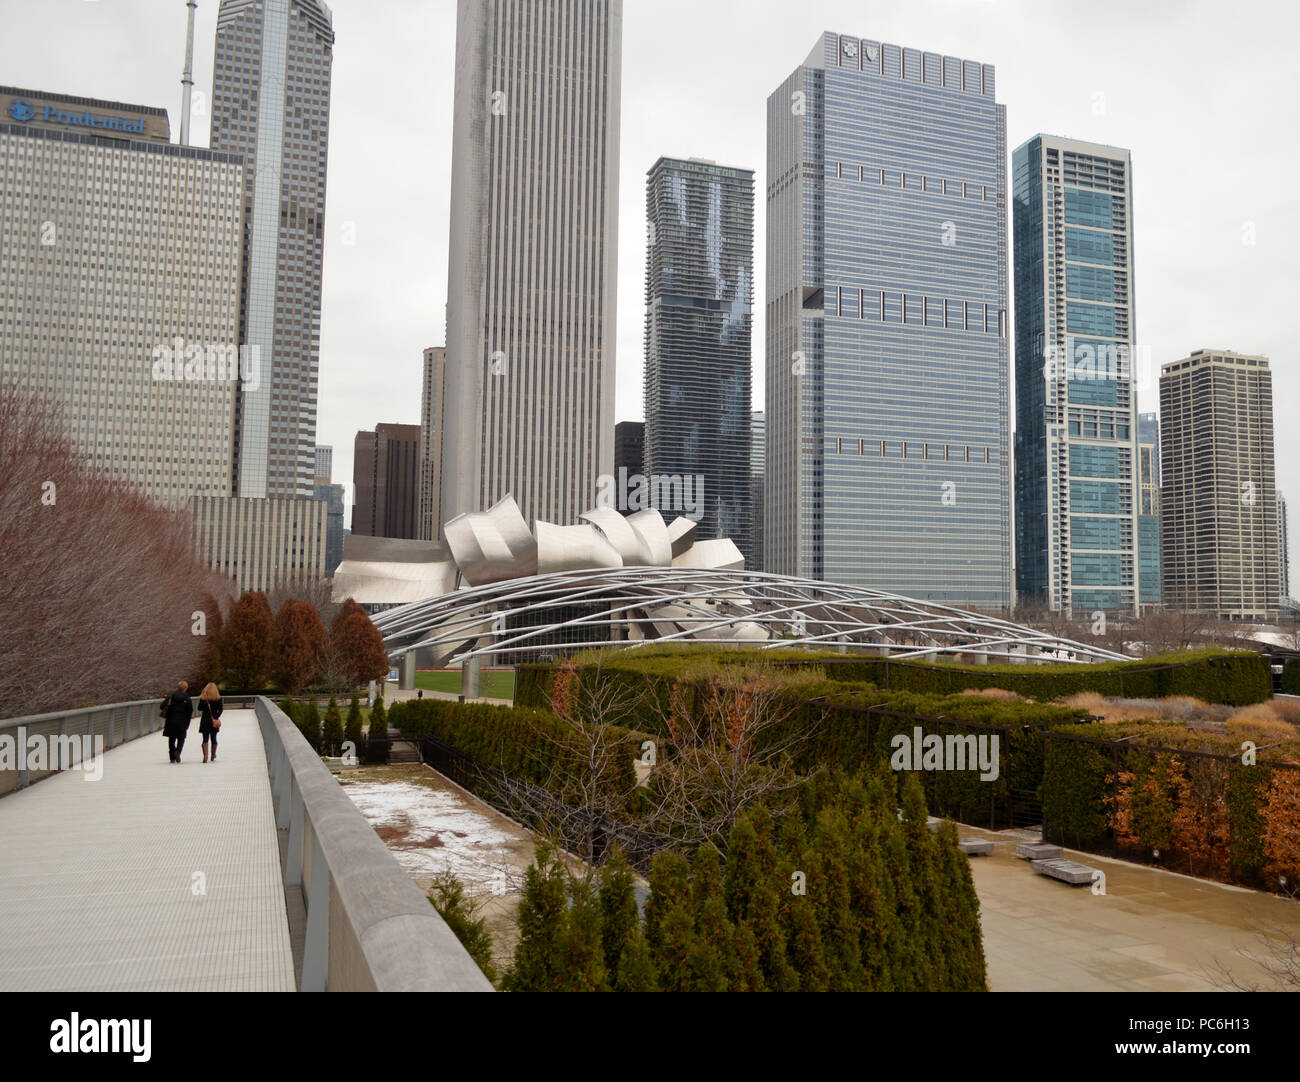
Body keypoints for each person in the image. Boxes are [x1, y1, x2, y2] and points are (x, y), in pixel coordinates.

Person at [161, 681, 193, 763]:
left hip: (171, 720)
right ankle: (178, 752)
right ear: (185, 688)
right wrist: (187, 722)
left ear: (177, 687)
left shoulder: (171, 697)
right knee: (181, 738)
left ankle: (172, 757)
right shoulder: (187, 698)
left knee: (171, 739)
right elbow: (190, 711)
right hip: (183, 721)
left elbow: (162, 706)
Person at [198, 682, 224, 763]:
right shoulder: (218, 698)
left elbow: (199, 708)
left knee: (205, 738)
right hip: (214, 721)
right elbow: (221, 709)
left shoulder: (203, 699)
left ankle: (205, 756)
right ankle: (213, 755)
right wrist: (216, 716)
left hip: (205, 720)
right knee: (214, 738)